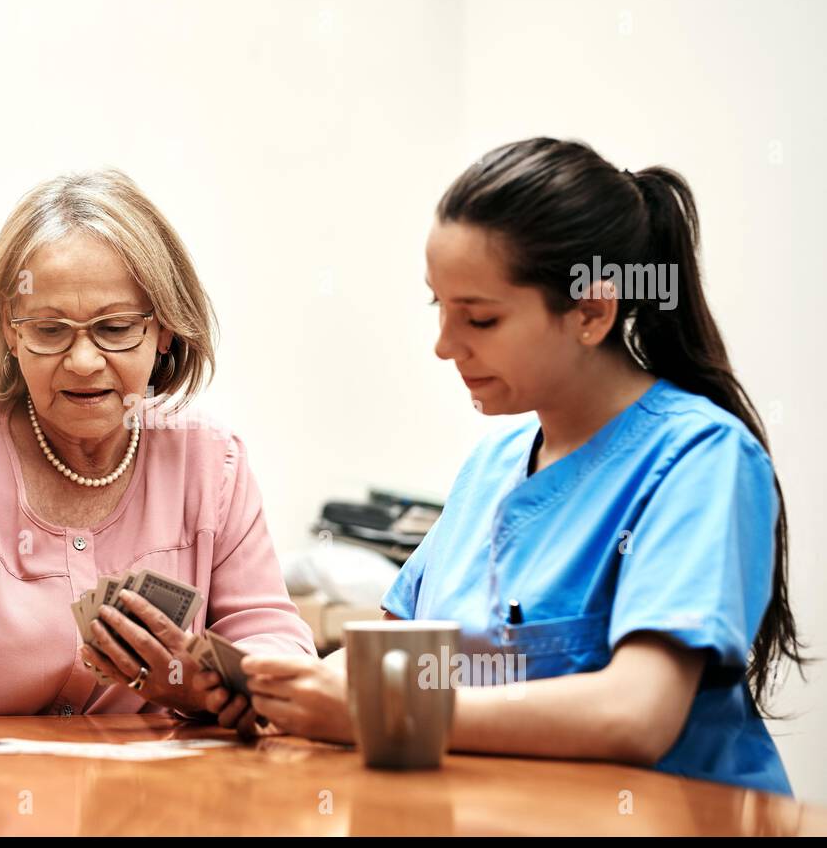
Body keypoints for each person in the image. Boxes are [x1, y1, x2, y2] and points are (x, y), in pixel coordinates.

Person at [235, 138, 806, 794]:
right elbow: (385, 661)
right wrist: (245, 686)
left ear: (591, 310)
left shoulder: (701, 460)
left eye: (478, 317)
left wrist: (387, 712)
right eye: (439, 307)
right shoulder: (493, 466)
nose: (445, 346)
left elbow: (635, 714)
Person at [0, 169, 316, 738]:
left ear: (164, 329)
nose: (83, 362)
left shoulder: (210, 463)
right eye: (49, 331)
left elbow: (276, 648)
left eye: (115, 328)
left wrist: (203, 685)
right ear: (11, 329)